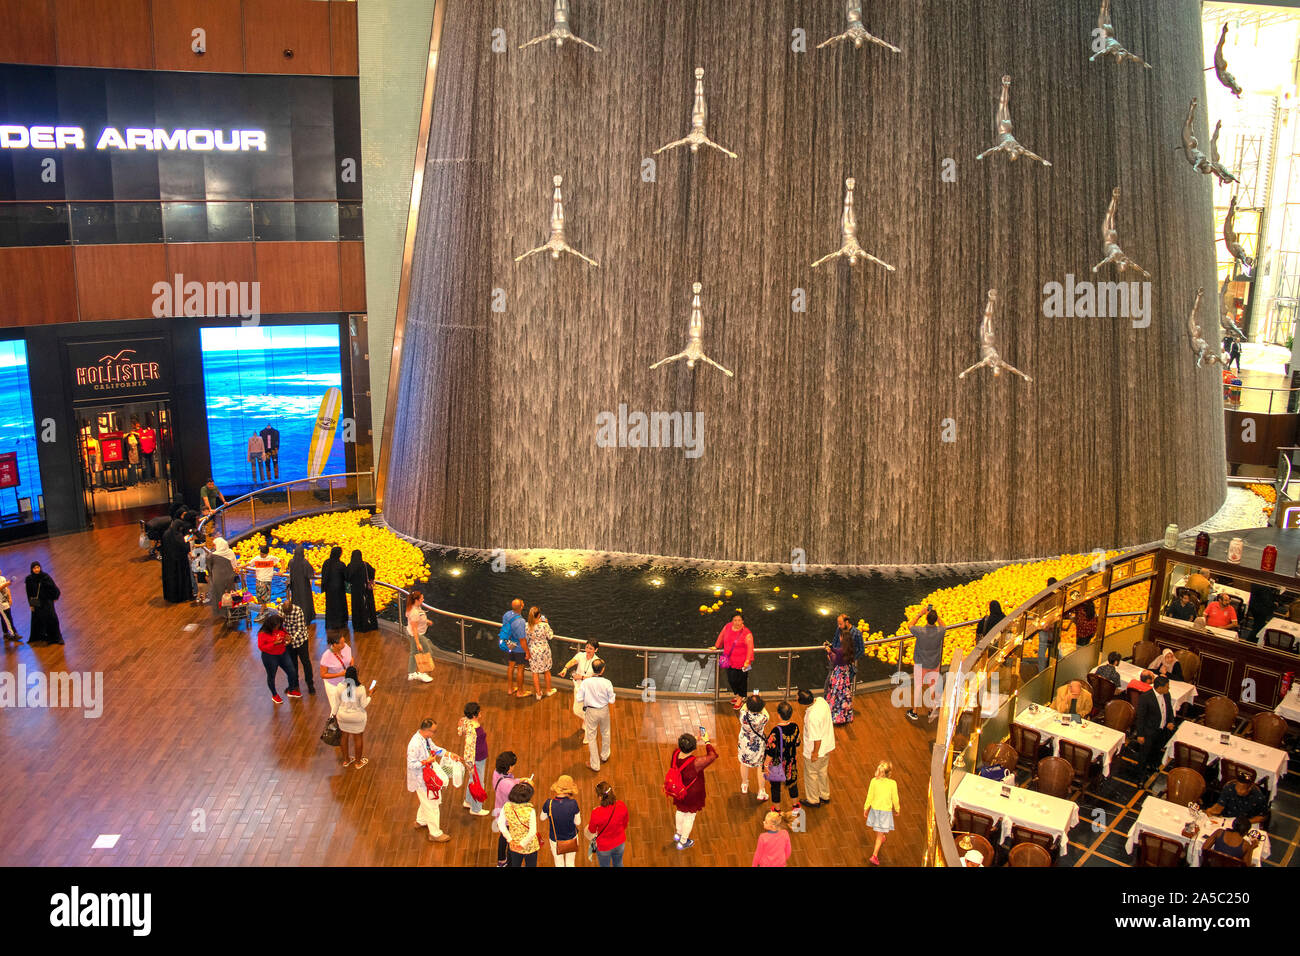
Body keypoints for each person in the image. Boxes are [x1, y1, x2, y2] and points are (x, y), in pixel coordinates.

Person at [406, 717, 461, 844]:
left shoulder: (425, 739)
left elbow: (434, 748)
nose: (434, 734)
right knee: (432, 804)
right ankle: (435, 833)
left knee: (426, 800)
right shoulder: (414, 745)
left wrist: (449, 754)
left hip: (427, 775)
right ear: (427, 730)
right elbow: (411, 764)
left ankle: (421, 820)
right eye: (433, 731)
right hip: (421, 779)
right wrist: (426, 761)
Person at [669, 731, 717, 850]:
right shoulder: (695, 763)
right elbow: (712, 756)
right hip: (692, 794)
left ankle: (678, 834)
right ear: (694, 748)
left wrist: (695, 738)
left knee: (680, 811)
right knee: (690, 816)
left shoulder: (675, 753)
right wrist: (706, 741)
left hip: (678, 789)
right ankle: (683, 841)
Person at [905, 605, 945, 723]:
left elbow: (910, 625)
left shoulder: (920, 631)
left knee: (918, 686)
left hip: (920, 663)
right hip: (934, 663)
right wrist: (937, 617)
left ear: (926, 619)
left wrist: (920, 614)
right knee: (932, 686)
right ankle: (932, 708)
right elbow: (944, 625)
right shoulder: (940, 631)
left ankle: (915, 711)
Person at [763, 700, 803, 815]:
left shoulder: (776, 731)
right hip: (791, 761)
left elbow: (771, 750)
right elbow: (797, 742)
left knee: (775, 786)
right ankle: (795, 805)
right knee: (792, 782)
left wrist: (766, 765)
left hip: (777, 763)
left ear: (778, 715)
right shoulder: (795, 726)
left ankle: (777, 809)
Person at [800, 688, 836, 807]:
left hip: (817, 750)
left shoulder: (812, 717)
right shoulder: (821, 701)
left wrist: (814, 753)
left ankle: (813, 799)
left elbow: (817, 738)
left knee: (811, 774)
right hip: (827, 746)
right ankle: (824, 794)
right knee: (822, 771)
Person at [491, 751, 527, 867]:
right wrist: (527, 785)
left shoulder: (496, 773)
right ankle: (511, 864)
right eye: (513, 765)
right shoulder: (508, 785)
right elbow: (519, 797)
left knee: (503, 836)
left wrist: (519, 780)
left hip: (500, 810)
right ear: (509, 767)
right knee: (512, 841)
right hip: (509, 817)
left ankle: (501, 860)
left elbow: (507, 783)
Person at [579, 658, 615, 772]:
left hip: (591, 711)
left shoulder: (586, 682)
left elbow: (579, 698)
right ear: (602, 670)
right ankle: (604, 755)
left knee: (591, 737)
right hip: (604, 710)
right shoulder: (607, 682)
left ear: (592, 669)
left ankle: (595, 764)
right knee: (606, 732)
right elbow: (612, 700)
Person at [1134, 675, 1176, 773]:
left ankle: (1153, 765)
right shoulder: (1146, 697)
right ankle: (1140, 773)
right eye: (1167, 686)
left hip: (1161, 730)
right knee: (1144, 753)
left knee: (1156, 750)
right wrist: (1140, 734)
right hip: (1149, 731)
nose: (1168, 688)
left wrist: (1170, 721)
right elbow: (1141, 717)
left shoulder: (1167, 694)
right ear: (1160, 687)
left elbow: (1169, 709)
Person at [714, 612, 755, 710]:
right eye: (735, 620)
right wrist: (716, 646)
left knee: (742, 680)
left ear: (743, 621)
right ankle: (737, 695)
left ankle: (740, 698)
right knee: (731, 679)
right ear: (732, 621)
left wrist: (747, 661)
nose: (737, 622)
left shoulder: (747, 633)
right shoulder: (727, 627)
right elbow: (721, 636)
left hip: (742, 662)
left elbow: (750, 648)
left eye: (739, 620)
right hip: (729, 660)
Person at [256, 612, 299, 704]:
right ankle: (274, 695)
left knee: (292, 672)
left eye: (279, 625)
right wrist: (274, 644)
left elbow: (286, 635)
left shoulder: (281, 628)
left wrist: (288, 638)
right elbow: (261, 647)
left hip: (283, 653)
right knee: (271, 676)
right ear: (270, 625)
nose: (277, 627)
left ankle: (291, 689)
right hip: (270, 657)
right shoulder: (262, 633)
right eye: (276, 626)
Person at [863, 760, 900, 866]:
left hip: (874, 811)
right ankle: (874, 855)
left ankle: (881, 836)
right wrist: (897, 809)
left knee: (877, 829)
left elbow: (870, 796)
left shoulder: (874, 781)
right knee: (879, 835)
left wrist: (866, 808)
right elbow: (895, 799)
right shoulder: (893, 784)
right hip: (885, 813)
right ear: (889, 773)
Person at [559, 641, 599, 739]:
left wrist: (580, 677)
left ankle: (589, 735)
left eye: (591, 648)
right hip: (578, 687)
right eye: (587, 647)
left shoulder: (597, 662)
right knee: (577, 710)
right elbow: (572, 662)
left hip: (589, 690)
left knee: (586, 711)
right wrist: (565, 668)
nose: (588, 650)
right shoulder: (581, 655)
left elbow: (595, 678)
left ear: (596, 650)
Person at [456, 702, 490, 816]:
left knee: (472, 779)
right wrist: (470, 762)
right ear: (476, 715)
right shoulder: (474, 728)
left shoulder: (466, 722)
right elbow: (470, 746)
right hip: (477, 758)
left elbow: (460, 730)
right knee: (478, 782)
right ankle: (476, 808)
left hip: (475, 758)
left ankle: (468, 800)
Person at [540, 775, 582, 867]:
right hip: (572, 838)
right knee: (570, 863)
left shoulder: (549, 804)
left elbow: (542, 818)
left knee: (559, 863)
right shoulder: (573, 803)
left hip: (555, 839)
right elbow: (578, 822)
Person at [336, 666, 372, 769]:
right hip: (357, 717)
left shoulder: (339, 686)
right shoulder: (360, 688)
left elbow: (336, 702)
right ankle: (358, 762)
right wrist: (370, 694)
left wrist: (335, 714)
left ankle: (346, 760)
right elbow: (364, 704)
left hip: (342, 716)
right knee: (358, 738)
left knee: (344, 736)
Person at [587, 781, 629, 867]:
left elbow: (591, 830)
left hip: (604, 847)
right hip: (620, 843)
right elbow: (625, 824)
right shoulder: (621, 805)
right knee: (619, 864)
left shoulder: (596, 813)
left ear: (600, 797)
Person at [737, 693, 770, 801]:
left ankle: (744, 784)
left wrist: (752, 700)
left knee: (744, 763)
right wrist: (759, 700)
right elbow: (763, 709)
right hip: (758, 744)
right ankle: (761, 791)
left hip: (744, 742)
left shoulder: (743, 715)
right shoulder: (764, 717)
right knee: (761, 766)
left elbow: (745, 706)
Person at [280, 596, 315, 695]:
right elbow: (279, 625)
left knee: (305, 662)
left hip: (301, 640)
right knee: (292, 664)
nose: (286, 615)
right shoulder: (279, 609)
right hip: (288, 642)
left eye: (288, 613)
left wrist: (291, 638)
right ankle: (294, 684)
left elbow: (300, 629)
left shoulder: (298, 611)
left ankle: (310, 684)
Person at [503, 781, 540, 867]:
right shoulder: (530, 811)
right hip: (530, 846)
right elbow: (532, 832)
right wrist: (522, 844)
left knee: (515, 864)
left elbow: (501, 824)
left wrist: (510, 839)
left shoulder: (507, 806)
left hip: (514, 844)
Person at [25, 561, 63, 645]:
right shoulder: (29, 579)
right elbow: (29, 593)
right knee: (41, 619)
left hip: (47, 601)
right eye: (35, 568)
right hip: (37, 602)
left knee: (52, 618)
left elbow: (53, 587)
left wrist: (55, 597)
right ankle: (46, 637)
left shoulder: (45, 577)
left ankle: (57, 637)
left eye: (38, 567)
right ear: (32, 569)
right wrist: (31, 604)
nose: (37, 569)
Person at [524, 605, 557, 699]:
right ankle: (548, 690)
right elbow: (550, 636)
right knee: (546, 671)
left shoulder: (526, 625)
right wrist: (547, 623)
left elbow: (525, 639)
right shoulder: (544, 625)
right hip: (544, 651)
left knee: (535, 673)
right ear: (539, 616)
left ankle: (538, 694)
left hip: (533, 651)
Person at [160, 518, 194, 604]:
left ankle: (171, 596)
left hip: (168, 562)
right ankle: (183, 596)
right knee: (181, 579)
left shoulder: (166, 534)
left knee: (171, 579)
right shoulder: (178, 537)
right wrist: (187, 541)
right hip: (180, 563)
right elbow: (185, 548)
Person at [501, 598, 529, 698]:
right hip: (519, 647)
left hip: (510, 643)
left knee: (511, 666)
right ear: (521, 607)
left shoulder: (507, 614)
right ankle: (520, 692)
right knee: (520, 668)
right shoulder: (521, 621)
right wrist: (527, 652)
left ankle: (510, 688)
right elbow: (522, 639)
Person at [320, 634, 353, 718]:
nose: (344, 644)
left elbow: (351, 658)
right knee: (336, 709)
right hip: (333, 686)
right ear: (334, 644)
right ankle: (333, 726)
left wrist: (351, 667)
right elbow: (323, 675)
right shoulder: (326, 656)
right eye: (341, 643)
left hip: (346, 682)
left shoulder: (346, 647)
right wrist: (340, 674)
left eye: (344, 641)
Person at [405, 590, 434, 684]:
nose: (423, 599)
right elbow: (414, 629)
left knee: (414, 653)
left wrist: (426, 621)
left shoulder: (415, 607)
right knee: (428, 652)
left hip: (415, 634)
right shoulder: (414, 612)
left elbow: (419, 620)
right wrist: (418, 643)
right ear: (417, 600)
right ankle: (422, 672)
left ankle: (411, 672)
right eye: (422, 598)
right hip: (416, 635)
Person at [824, 636, 855, 723]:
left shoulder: (841, 651)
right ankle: (846, 716)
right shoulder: (848, 649)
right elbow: (836, 651)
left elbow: (836, 661)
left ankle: (835, 716)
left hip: (839, 674)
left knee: (836, 693)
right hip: (845, 673)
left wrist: (829, 652)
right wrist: (831, 648)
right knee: (845, 694)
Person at [346, 549, 378, 632]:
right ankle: (369, 624)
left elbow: (347, 577)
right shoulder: (365, 564)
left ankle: (357, 625)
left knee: (356, 607)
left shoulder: (350, 566)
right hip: (365, 590)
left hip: (355, 590)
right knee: (367, 606)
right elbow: (372, 571)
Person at [828, 613, 864, 686]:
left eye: (840, 624)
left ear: (846, 622)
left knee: (843, 685)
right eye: (838, 624)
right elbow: (835, 641)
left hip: (847, 665)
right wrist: (831, 653)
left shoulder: (857, 633)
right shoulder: (839, 629)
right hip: (835, 661)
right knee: (830, 684)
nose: (839, 626)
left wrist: (851, 659)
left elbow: (861, 650)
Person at [208, 538, 240, 621]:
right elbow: (234, 565)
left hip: (218, 578)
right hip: (230, 577)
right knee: (232, 593)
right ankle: (233, 611)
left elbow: (209, 567)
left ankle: (223, 613)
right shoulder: (230, 552)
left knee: (220, 595)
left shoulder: (212, 555)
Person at [319, 547, 348, 632]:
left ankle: (330, 623)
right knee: (339, 606)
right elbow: (346, 576)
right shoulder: (341, 564)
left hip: (329, 589)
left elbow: (323, 575)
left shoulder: (326, 563)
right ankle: (339, 624)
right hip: (339, 589)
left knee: (330, 606)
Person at [286, 544, 316, 625]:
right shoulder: (305, 562)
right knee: (305, 602)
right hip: (304, 586)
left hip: (295, 586)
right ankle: (306, 619)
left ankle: (296, 618)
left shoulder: (291, 561)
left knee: (296, 601)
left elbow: (288, 569)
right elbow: (311, 574)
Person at [1034, 577, 1059, 671]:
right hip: (1053, 627)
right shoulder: (1058, 596)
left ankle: (1041, 670)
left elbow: (1037, 611)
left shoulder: (1042, 596)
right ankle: (1052, 669)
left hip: (1043, 627)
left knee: (1042, 648)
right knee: (1053, 649)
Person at [249, 544, 279, 618]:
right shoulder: (257, 558)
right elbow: (249, 563)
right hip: (259, 579)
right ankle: (265, 610)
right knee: (260, 597)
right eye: (260, 553)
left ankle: (261, 613)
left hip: (267, 579)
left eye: (262, 554)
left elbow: (281, 560)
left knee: (264, 598)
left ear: (266, 554)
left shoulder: (271, 558)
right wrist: (239, 566)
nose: (261, 555)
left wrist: (282, 570)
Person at [189, 533, 210, 605]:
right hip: (203, 584)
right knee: (204, 592)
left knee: (199, 591)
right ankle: (204, 599)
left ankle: (198, 598)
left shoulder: (197, 570)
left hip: (198, 584)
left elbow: (195, 576)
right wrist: (209, 582)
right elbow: (206, 577)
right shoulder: (204, 571)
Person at [0, 570, 19, 642]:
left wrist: (10, 598)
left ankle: (6, 633)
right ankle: (14, 633)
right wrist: (6, 584)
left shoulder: (2, 578)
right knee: (7, 618)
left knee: (6, 617)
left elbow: (7, 589)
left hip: (5, 601)